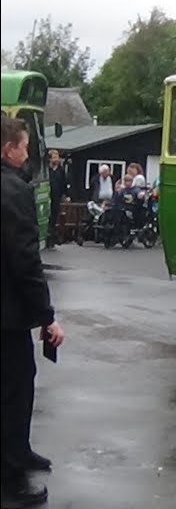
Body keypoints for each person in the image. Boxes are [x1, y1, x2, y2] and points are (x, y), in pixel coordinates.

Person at [1, 114, 65, 507]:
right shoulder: (14, 191)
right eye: (24, 147)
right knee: (15, 390)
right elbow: (26, 261)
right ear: (9, 149)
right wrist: (47, 316)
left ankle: (19, 452)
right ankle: (11, 477)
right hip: (7, 316)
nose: (27, 155)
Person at [44, 151, 69, 250]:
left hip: (56, 197)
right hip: (46, 196)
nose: (56, 159)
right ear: (50, 159)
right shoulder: (46, 170)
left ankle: (51, 241)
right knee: (46, 218)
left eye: (57, 157)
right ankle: (45, 238)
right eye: (54, 157)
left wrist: (66, 195)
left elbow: (64, 183)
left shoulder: (61, 170)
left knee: (53, 219)